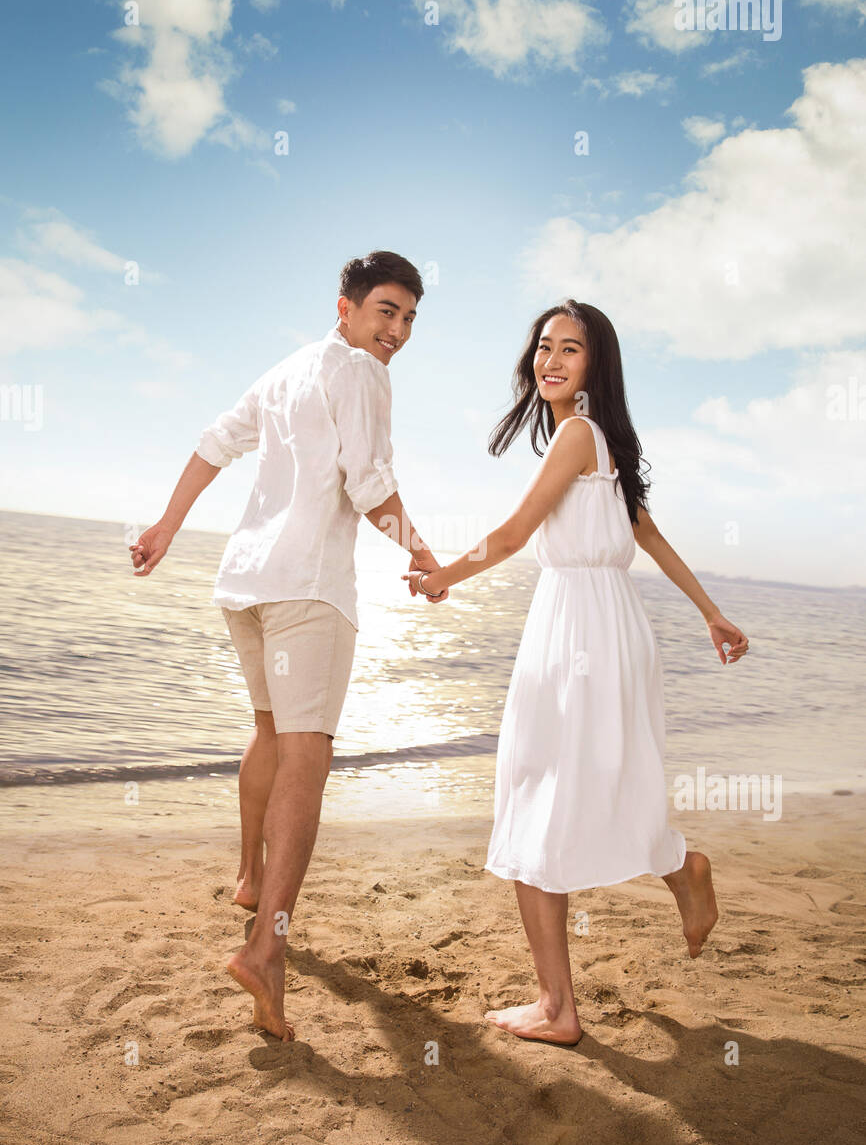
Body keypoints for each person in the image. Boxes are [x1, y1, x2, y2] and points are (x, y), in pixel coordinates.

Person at [403, 300, 748, 1047]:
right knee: (597, 782)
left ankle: (559, 1008)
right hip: (610, 627)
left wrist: (444, 579)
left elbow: (512, 534)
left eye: (571, 350)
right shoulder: (603, 442)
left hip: (576, 630)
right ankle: (681, 868)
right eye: (544, 347)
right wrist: (710, 612)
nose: (551, 360)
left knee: (535, 799)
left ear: (596, 365)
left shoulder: (577, 436)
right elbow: (646, 532)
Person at [131, 250, 447, 1042]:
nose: (398, 331)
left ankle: (248, 879)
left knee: (270, 734)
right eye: (385, 311)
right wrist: (423, 553)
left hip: (245, 582)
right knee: (308, 754)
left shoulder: (285, 371)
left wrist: (167, 527)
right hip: (306, 587)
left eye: (409, 318)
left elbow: (214, 441)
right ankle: (266, 947)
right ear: (344, 307)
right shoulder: (361, 373)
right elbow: (370, 482)